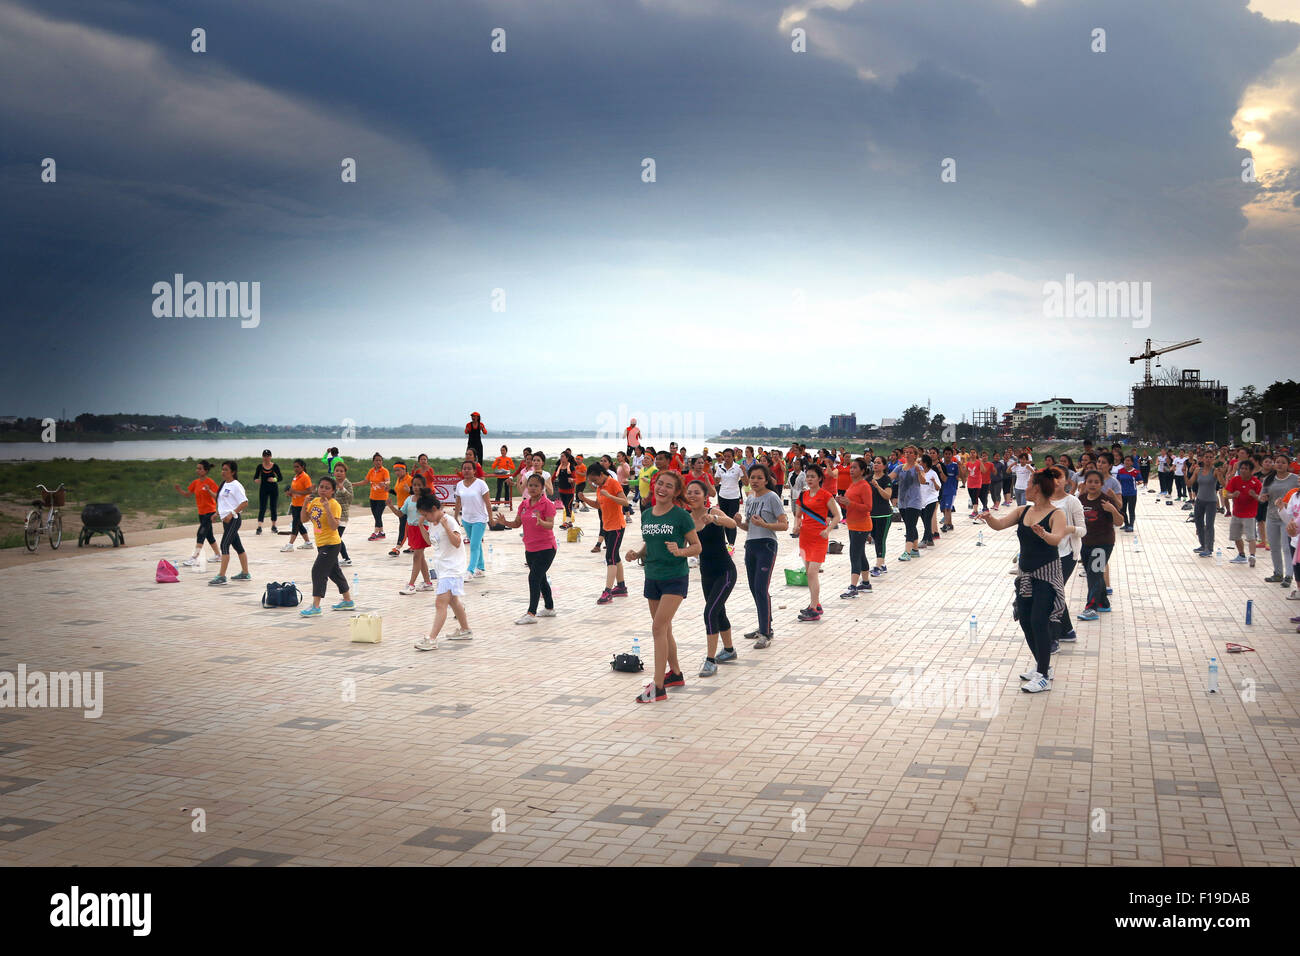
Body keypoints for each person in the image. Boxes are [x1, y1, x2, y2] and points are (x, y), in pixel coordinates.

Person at [977, 470, 1068, 693]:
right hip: (1025, 575)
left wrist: (1043, 535)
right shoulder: (1022, 511)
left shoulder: (1057, 514)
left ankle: (1043, 676)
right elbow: (999, 525)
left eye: (1028, 484)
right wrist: (989, 519)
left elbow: (1057, 539)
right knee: (1026, 620)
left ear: (1037, 488)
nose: (1024, 488)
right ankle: (1042, 666)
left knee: (1039, 621)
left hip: (1047, 576)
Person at [623, 470, 702, 703]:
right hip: (652, 576)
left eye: (669, 486)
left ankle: (658, 687)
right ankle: (675, 674)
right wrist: (637, 553)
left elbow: (696, 546)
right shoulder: (647, 514)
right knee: (664, 629)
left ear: (676, 492)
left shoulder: (681, 516)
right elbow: (650, 542)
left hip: (675, 577)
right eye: (660, 484)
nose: (662, 489)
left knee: (658, 628)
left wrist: (680, 551)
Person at [686, 478, 739, 676]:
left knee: (709, 613)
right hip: (705, 573)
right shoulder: (687, 518)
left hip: (725, 572)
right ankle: (729, 650)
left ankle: (710, 661)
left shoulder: (713, 512)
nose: (692, 495)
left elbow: (732, 523)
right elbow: (684, 544)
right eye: (689, 492)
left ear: (705, 496)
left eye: (696, 492)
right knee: (718, 612)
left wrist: (715, 520)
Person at [735, 463, 788, 647]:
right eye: (752, 477)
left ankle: (765, 633)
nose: (755, 481)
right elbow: (749, 526)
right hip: (750, 545)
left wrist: (766, 525)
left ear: (766, 479)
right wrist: (739, 523)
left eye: (759, 477)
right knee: (754, 588)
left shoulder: (772, 497)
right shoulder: (749, 498)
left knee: (760, 587)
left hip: (766, 545)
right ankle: (764, 625)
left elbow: (784, 525)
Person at [494, 474, 558, 624]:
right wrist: (505, 522)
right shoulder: (524, 505)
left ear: (542, 488)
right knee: (541, 578)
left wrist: (541, 521)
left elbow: (550, 525)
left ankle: (531, 613)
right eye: (530, 485)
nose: (533, 488)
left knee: (534, 578)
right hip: (530, 548)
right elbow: (517, 523)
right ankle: (549, 608)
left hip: (547, 548)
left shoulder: (547, 504)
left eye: (536, 485)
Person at [413, 496, 473, 650]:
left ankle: (432, 639)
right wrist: (422, 526)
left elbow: (457, 542)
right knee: (453, 601)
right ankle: (465, 630)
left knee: (440, 603)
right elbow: (429, 542)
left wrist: (446, 526)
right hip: (443, 568)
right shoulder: (432, 523)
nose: (425, 518)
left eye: (425, 515)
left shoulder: (449, 521)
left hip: (452, 568)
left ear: (434, 509)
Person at [298, 476, 356, 616]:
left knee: (317, 571)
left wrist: (327, 509)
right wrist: (305, 504)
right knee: (334, 572)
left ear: (332, 491)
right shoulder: (315, 501)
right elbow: (304, 519)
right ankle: (348, 601)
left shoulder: (334, 504)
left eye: (327, 488)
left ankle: (316, 606)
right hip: (321, 544)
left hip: (331, 544)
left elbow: (334, 526)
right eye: (321, 487)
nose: (323, 490)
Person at [793, 464, 841, 622]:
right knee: (809, 573)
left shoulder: (826, 495)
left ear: (820, 478)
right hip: (805, 537)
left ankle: (813, 609)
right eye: (808, 476)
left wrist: (828, 530)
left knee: (813, 572)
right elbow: (798, 515)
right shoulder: (803, 495)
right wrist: (796, 525)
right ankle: (816, 604)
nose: (810, 479)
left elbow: (837, 516)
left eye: (813, 476)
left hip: (820, 537)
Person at [1075, 470, 1123, 620]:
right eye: (1090, 481)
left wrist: (1113, 510)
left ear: (1101, 484)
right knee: (1092, 573)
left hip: (1103, 544)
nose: (1093, 484)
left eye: (1097, 482)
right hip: (1085, 543)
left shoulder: (1106, 501)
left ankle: (1091, 607)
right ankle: (1103, 603)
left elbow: (1119, 522)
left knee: (1095, 573)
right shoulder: (1081, 499)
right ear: (1085, 483)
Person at [580, 462, 629, 604]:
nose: (594, 483)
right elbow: (598, 505)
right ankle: (621, 587)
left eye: (595, 480)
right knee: (615, 556)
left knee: (610, 557)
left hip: (617, 526)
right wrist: (585, 499)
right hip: (607, 526)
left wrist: (609, 495)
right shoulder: (600, 487)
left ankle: (608, 592)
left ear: (601, 475)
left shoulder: (613, 484)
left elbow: (625, 502)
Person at [836, 457, 874, 598]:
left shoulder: (864, 486)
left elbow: (868, 507)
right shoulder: (852, 485)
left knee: (854, 554)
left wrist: (850, 503)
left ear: (862, 470)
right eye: (851, 467)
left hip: (862, 525)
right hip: (852, 524)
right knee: (860, 553)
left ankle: (853, 587)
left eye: (855, 468)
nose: (851, 470)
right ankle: (865, 583)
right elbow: (849, 505)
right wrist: (841, 502)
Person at [209, 461, 251, 586]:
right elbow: (223, 502)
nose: (223, 472)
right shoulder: (224, 484)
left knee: (224, 545)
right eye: (222, 469)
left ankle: (221, 576)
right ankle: (245, 573)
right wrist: (217, 513)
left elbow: (244, 502)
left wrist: (231, 514)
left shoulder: (236, 485)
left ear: (233, 472)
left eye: (226, 469)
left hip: (234, 519)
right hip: (226, 520)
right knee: (238, 546)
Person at [175, 460, 221, 567]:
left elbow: (218, 497)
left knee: (200, 533)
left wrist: (209, 490)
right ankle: (218, 555)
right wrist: (179, 490)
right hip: (201, 513)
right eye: (197, 468)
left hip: (210, 512)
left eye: (200, 468)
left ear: (205, 470)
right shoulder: (196, 482)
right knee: (209, 536)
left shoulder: (210, 482)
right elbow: (187, 494)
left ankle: (194, 558)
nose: (198, 470)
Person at [1263, 454, 1299, 586]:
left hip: (1288, 518)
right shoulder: (1269, 479)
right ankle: (1278, 573)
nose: (1280, 464)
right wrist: (1263, 497)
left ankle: (1289, 575)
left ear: (1288, 465)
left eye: (1283, 462)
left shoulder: (1295, 479)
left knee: (1286, 547)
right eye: (1277, 462)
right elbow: (1263, 495)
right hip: (1272, 516)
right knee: (1274, 547)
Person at [453, 459, 492, 579]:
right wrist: (455, 516)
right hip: (466, 519)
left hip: (480, 519)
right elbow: (458, 502)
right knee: (477, 544)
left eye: (469, 468)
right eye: (464, 468)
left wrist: (491, 518)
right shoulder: (459, 485)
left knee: (474, 545)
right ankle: (480, 568)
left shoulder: (481, 484)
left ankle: (470, 571)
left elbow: (488, 502)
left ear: (474, 471)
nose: (466, 470)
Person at [396, 475, 433, 595]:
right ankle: (428, 583)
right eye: (414, 485)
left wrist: (423, 520)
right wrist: (391, 506)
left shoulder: (426, 499)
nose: (416, 487)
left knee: (417, 556)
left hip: (422, 529)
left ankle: (411, 585)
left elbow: (431, 513)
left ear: (423, 486)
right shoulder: (409, 499)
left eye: (419, 485)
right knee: (420, 557)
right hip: (411, 529)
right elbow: (401, 514)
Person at [1224, 459, 1262, 567]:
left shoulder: (1256, 482)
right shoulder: (1235, 480)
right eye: (1242, 468)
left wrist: (1254, 495)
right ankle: (1241, 555)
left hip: (1249, 515)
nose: (1243, 471)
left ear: (1251, 471)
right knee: (1235, 536)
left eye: (1246, 469)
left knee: (1251, 537)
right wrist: (1232, 495)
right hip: (1236, 513)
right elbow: (1225, 493)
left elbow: (1262, 498)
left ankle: (1252, 556)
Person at [1188, 451, 1221, 557]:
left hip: (1211, 501)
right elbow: (1189, 483)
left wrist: (1222, 474)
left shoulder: (1215, 471)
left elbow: (1224, 484)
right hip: (1199, 500)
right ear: (1203, 459)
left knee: (1209, 525)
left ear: (1213, 459)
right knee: (1198, 523)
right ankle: (1203, 545)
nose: (1208, 459)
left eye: (1211, 457)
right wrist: (1185, 473)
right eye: (1206, 457)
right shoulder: (1198, 470)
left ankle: (1209, 548)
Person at [895, 447, 924, 562]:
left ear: (915, 455)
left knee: (910, 526)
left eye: (910, 453)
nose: (907, 454)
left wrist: (918, 473)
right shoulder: (899, 468)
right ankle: (915, 550)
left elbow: (923, 481)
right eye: (906, 452)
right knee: (909, 525)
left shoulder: (919, 467)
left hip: (914, 501)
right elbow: (889, 477)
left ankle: (907, 552)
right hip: (902, 502)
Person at [713, 448, 745, 548]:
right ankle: (726, 542)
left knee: (733, 520)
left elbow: (746, 483)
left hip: (734, 497)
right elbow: (716, 482)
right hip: (722, 496)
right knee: (724, 520)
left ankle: (731, 544)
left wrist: (744, 472)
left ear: (733, 457)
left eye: (729, 456)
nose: (726, 458)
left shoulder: (738, 467)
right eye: (725, 456)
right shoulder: (720, 467)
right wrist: (715, 479)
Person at [281, 459, 314, 552]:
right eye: (294, 467)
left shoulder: (305, 477)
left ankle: (290, 544)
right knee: (298, 524)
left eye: (297, 467)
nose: (295, 468)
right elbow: (295, 490)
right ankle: (308, 543)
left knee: (296, 523)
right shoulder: (295, 477)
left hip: (302, 505)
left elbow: (309, 491)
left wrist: (295, 492)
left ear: (302, 467)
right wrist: (291, 493)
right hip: (295, 503)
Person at [251, 450, 282, 534]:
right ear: (262, 457)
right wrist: (256, 480)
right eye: (265, 456)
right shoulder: (260, 467)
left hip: (273, 489)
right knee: (262, 507)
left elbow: (280, 478)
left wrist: (274, 479)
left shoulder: (275, 466)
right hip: (263, 489)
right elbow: (255, 477)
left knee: (273, 507)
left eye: (268, 456)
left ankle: (274, 526)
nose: (266, 457)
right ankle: (259, 527)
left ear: (271, 456)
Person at [386, 460, 412, 557]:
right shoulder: (399, 480)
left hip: (409, 508)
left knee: (403, 528)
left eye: (398, 470)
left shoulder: (410, 480)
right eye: (395, 470)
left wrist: (410, 490)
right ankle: (413, 546)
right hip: (401, 507)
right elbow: (399, 492)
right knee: (408, 528)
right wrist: (389, 490)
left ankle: (397, 548)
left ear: (404, 469)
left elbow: (416, 493)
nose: (396, 472)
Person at [364, 453, 390, 540]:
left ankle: (375, 533)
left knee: (378, 515)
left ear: (382, 461)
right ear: (373, 461)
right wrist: (353, 484)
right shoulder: (371, 471)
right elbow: (365, 481)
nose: (378, 462)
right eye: (376, 460)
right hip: (372, 497)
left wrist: (385, 483)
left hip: (382, 498)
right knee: (376, 516)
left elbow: (388, 481)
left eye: (380, 460)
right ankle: (382, 533)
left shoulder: (384, 471)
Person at [332, 462, 354, 566]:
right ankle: (344, 558)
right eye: (337, 471)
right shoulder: (331, 483)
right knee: (335, 537)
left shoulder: (347, 484)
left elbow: (350, 499)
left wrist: (342, 489)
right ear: (334, 472)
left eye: (341, 471)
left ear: (345, 473)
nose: (339, 473)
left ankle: (344, 558)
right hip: (332, 515)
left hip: (342, 516)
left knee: (336, 538)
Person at [918, 454, 941, 548]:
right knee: (924, 521)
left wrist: (934, 482)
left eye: (920, 462)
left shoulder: (933, 473)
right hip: (921, 501)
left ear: (925, 463)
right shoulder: (919, 473)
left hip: (931, 500)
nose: (919, 464)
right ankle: (930, 540)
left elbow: (938, 487)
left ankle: (924, 540)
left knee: (927, 519)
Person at [1116, 455, 1142, 532]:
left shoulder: (1135, 472)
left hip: (1132, 494)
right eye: (1125, 460)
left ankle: (1131, 525)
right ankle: (1126, 524)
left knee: (1131, 510)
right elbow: (1118, 481)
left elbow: (1140, 480)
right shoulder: (1120, 471)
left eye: (1128, 460)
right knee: (1122, 510)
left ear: (1132, 462)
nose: (1126, 462)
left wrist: (1138, 483)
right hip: (1122, 494)